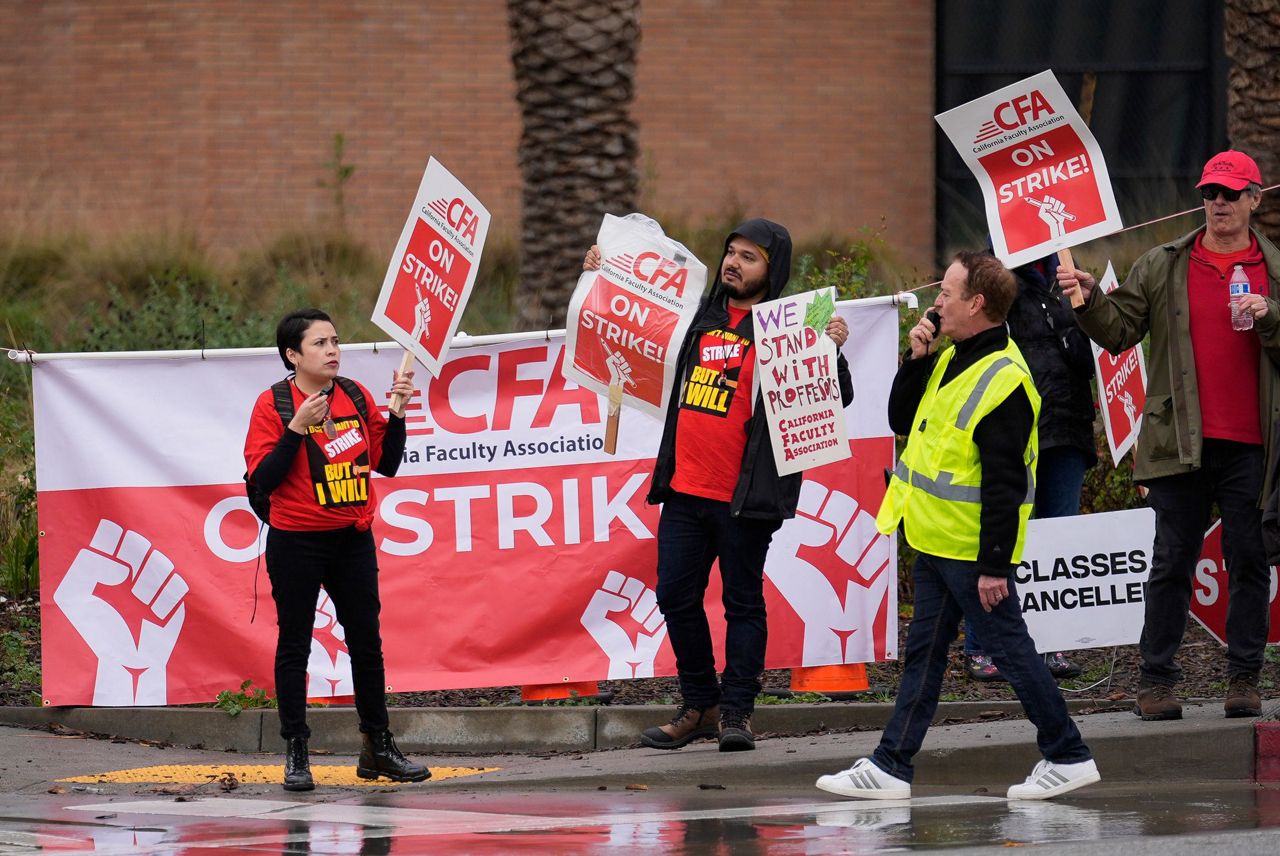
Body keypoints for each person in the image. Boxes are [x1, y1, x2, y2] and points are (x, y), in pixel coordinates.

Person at [817, 251, 1099, 801]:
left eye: (947, 292)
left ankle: (1067, 753)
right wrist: (916, 357)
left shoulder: (1006, 379)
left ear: (977, 303)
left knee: (1012, 651)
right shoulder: (953, 357)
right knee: (926, 653)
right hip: (934, 540)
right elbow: (902, 420)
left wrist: (996, 565)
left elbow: (1005, 483)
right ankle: (891, 765)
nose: (936, 300)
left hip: (971, 552)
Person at [583, 219, 854, 751]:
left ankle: (737, 714)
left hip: (746, 498)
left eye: (749, 257)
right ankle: (700, 705)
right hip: (685, 490)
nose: (733, 263)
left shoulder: (797, 321)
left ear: (772, 270)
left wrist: (832, 350)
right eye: (731, 252)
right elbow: (626, 321)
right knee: (674, 596)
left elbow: (834, 395)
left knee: (742, 602)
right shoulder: (696, 315)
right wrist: (601, 276)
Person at [1058, 150, 1280, 721]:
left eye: (1231, 194)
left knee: (1249, 559)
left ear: (1256, 198)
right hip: (1178, 440)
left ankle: (1244, 679)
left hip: (1255, 443)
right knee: (1172, 560)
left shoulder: (1276, 271)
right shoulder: (1163, 263)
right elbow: (1119, 331)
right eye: (1210, 193)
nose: (1219, 204)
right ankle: (1156, 683)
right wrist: (1087, 299)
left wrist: (1270, 316)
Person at [244, 308, 430, 791]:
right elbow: (262, 479)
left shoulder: (351, 393)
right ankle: (296, 751)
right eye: (319, 344)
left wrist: (398, 413)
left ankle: (378, 747)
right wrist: (295, 429)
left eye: (335, 341)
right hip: (297, 542)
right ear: (293, 355)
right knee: (295, 646)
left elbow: (386, 464)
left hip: (352, 538)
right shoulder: (275, 405)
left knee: (366, 643)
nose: (332, 351)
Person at [963, 252, 1093, 683]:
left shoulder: (1066, 277)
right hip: (1017, 430)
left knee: (1058, 539)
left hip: (1068, 427)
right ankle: (985, 646)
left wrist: (1088, 306)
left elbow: (1087, 355)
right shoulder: (998, 277)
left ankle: (1052, 643)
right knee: (1006, 535)